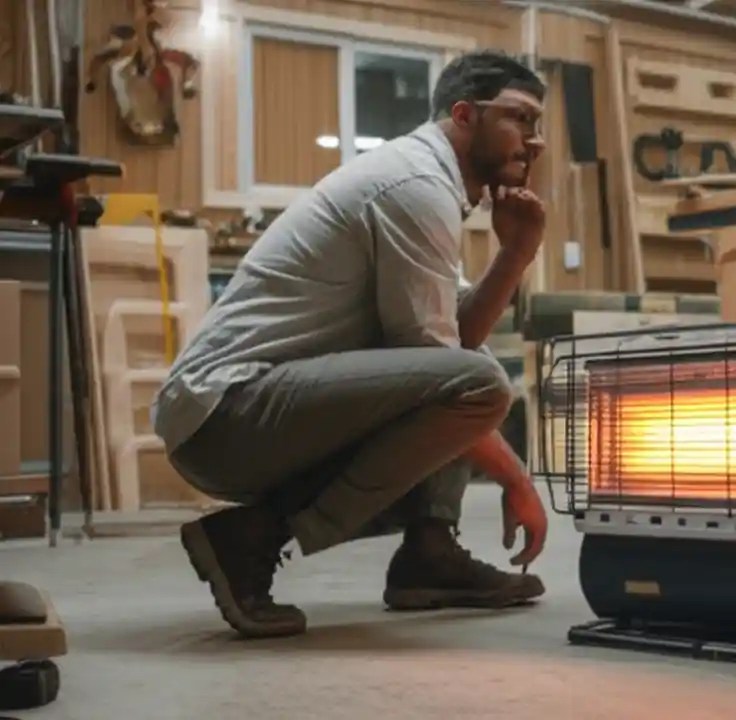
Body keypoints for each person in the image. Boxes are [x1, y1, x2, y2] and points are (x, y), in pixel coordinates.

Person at [152, 50, 550, 639]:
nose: (534, 142)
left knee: (471, 369)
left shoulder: (426, 180)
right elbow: (453, 369)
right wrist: (518, 480)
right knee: (476, 383)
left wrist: (515, 255)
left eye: (538, 126)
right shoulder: (416, 186)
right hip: (226, 417)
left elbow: (457, 339)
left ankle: (429, 555)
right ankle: (252, 536)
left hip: (255, 412)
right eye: (520, 118)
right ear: (465, 114)